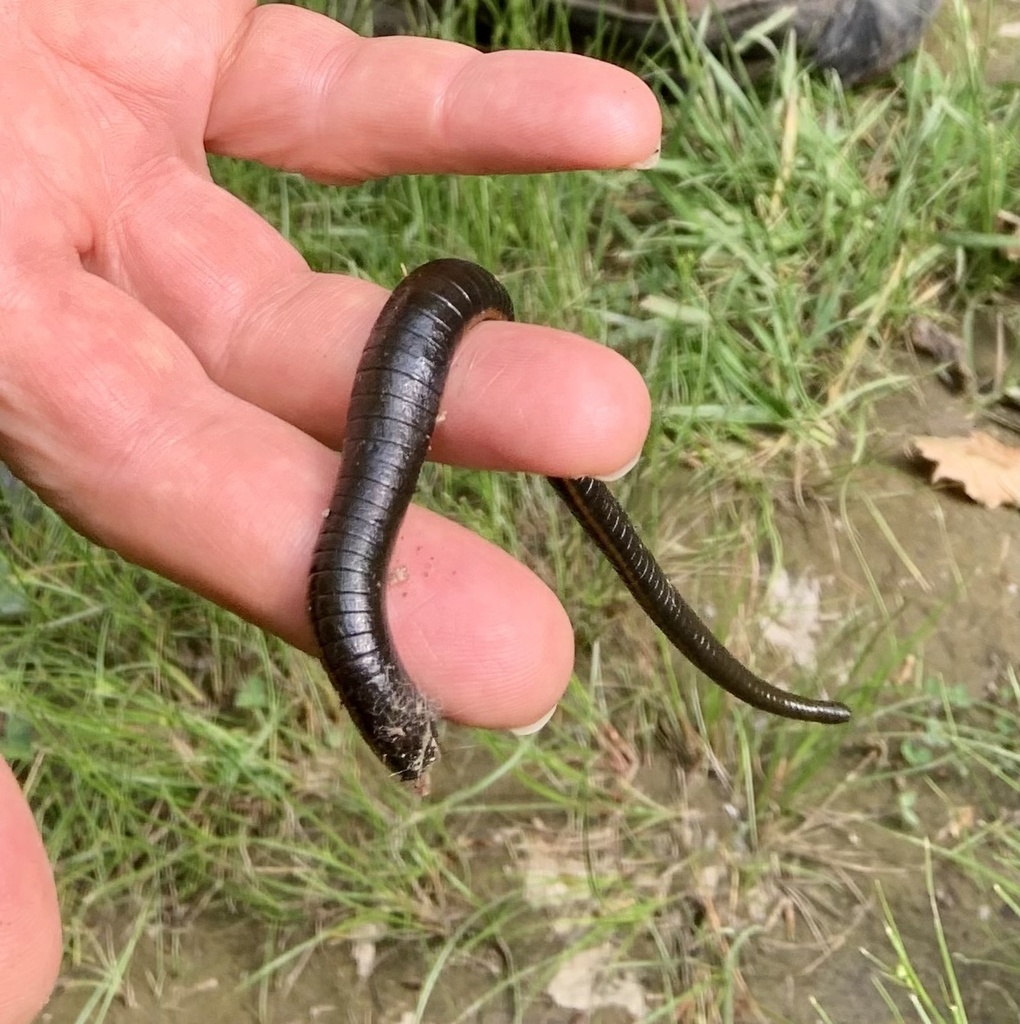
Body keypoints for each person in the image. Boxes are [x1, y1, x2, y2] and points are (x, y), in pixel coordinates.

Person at [0, 2, 660, 1019]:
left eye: (403, 735)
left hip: (435, 312)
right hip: (427, 321)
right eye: (406, 736)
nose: (411, 746)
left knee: (382, 554)